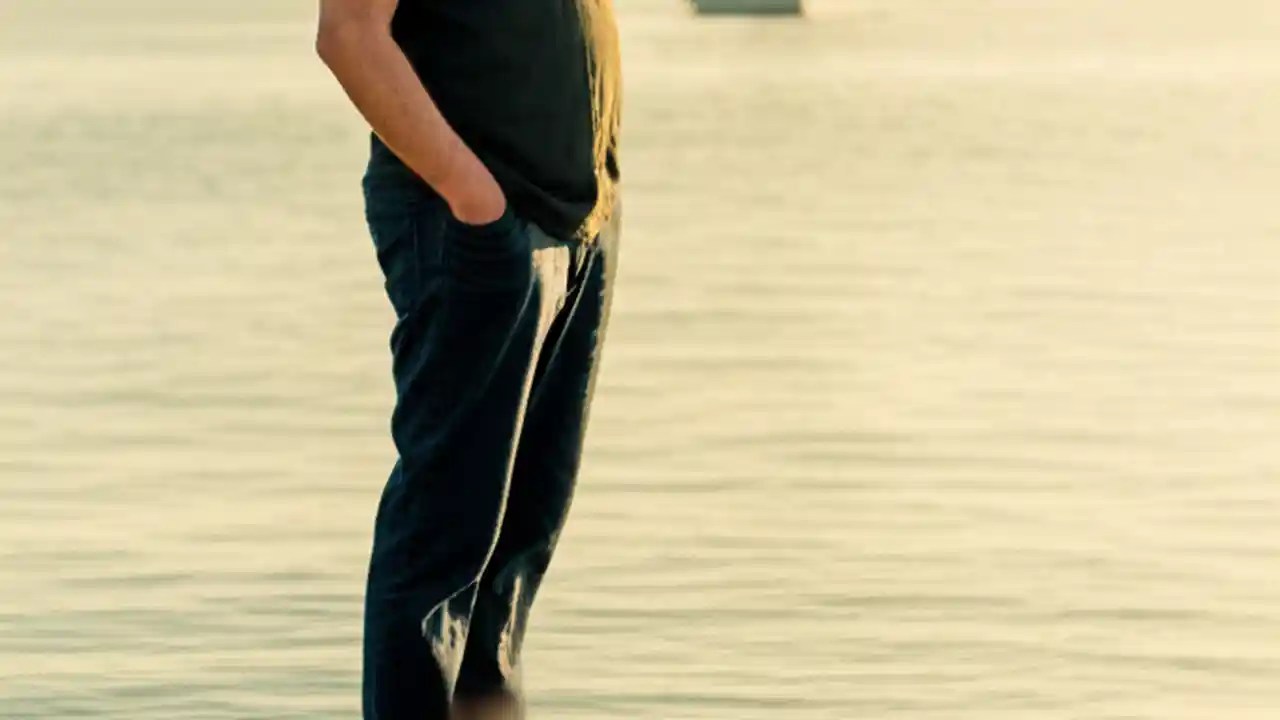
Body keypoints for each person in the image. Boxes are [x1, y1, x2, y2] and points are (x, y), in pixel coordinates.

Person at [315, 1, 622, 718]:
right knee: (442, 556)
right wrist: (472, 196)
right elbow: (348, 33)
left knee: (512, 565)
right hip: (479, 224)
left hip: (579, 217)